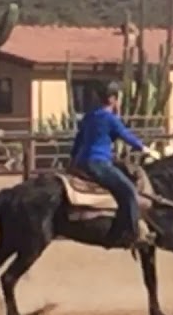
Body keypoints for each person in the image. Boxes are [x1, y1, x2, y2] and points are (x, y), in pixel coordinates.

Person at [68, 82, 161, 248]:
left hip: (83, 161)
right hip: (99, 163)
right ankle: (133, 233)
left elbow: (79, 139)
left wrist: (73, 160)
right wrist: (146, 149)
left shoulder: (90, 116)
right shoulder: (110, 119)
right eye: (117, 97)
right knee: (129, 191)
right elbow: (126, 135)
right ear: (112, 99)